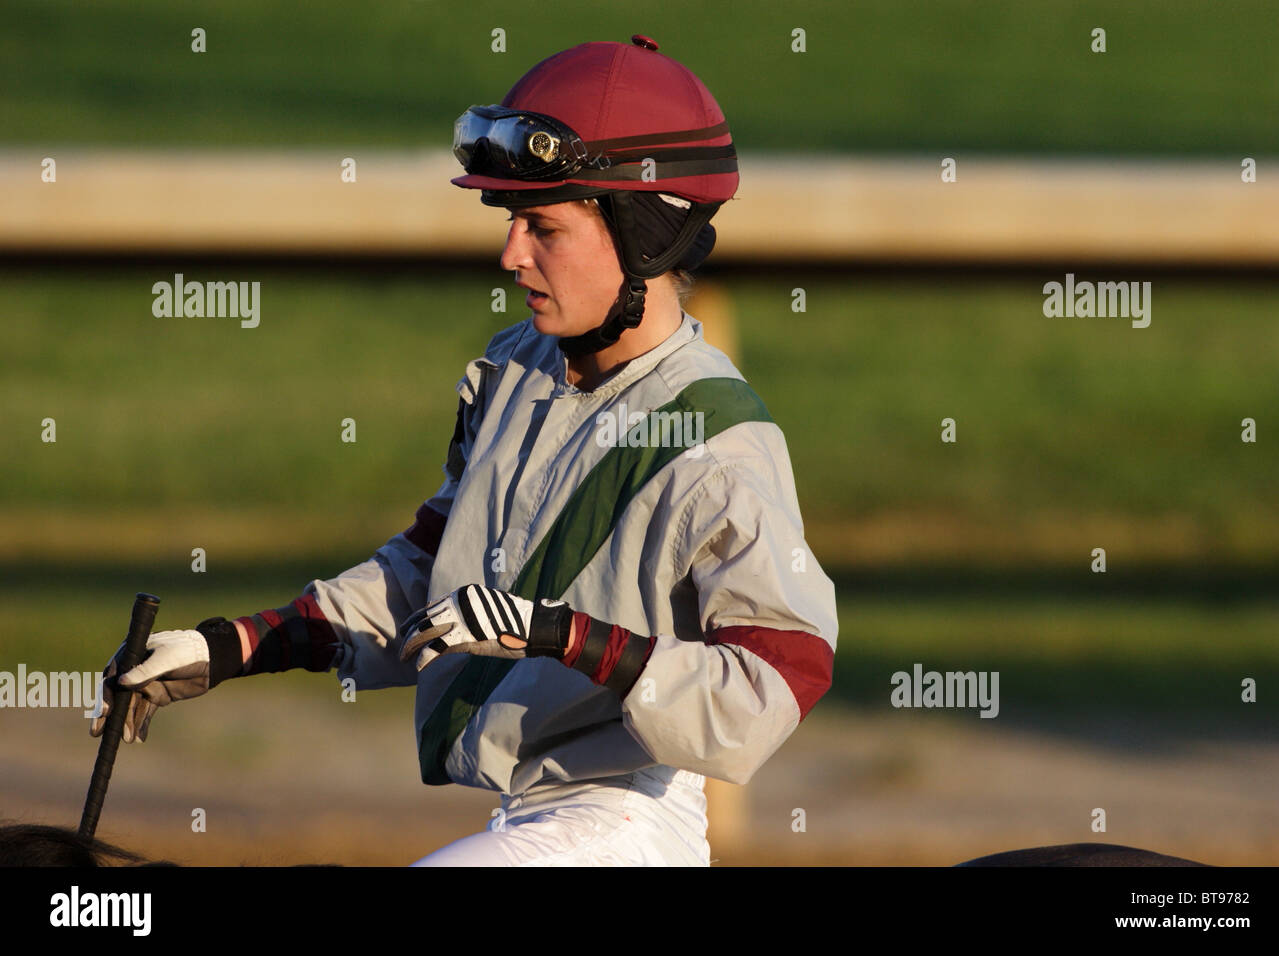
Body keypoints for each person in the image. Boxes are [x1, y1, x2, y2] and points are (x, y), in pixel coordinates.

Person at [92, 34, 838, 866]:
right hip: (523, 822)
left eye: (543, 227)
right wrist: (230, 646)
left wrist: (563, 635)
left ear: (645, 237)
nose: (511, 253)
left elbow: (775, 686)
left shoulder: (723, 444)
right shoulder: (514, 367)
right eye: (512, 220)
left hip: (626, 828)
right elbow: (426, 573)